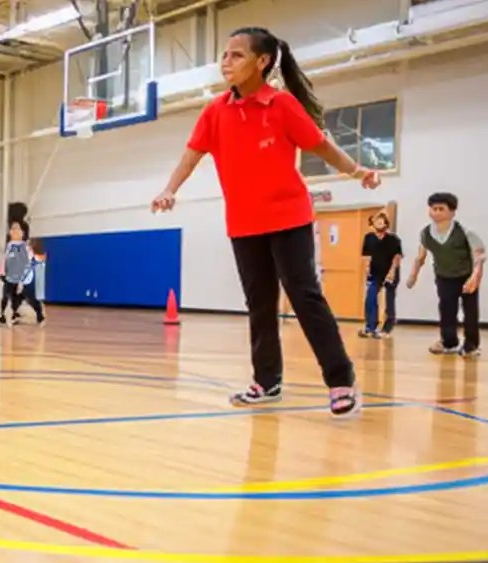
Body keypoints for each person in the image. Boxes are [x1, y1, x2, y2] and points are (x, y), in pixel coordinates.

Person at [151, 26, 381, 417]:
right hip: (243, 223)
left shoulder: (282, 105)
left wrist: (357, 171)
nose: (227, 62)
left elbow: (321, 145)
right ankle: (267, 381)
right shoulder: (215, 111)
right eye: (225, 54)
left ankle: (340, 379)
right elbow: (191, 156)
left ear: (262, 62)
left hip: (289, 216)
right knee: (259, 304)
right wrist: (170, 189)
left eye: (237, 55)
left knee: (305, 296)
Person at [405, 192, 486, 357]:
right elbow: (421, 256)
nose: (436, 212)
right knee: (447, 310)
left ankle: (471, 345)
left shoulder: (465, 232)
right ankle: (449, 342)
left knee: (470, 311)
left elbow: (479, 257)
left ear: (452, 211)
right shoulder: (426, 233)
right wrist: (413, 275)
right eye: (433, 209)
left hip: (466, 277)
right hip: (444, 277)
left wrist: (475, 277)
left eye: (441, 209)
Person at [359, 211, 403, 339]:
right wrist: (367, 268)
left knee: (389, 300)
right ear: (372, 223)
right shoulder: (369, 237)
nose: (378, 223)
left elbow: (397, 256)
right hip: (375, 273)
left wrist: (392, 271)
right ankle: (370, 326)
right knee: (370, 298)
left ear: (385, 223)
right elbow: (366, 255)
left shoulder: (393, 239)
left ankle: (387, 328)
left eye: (381, 220)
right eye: (376, 220)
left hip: (390, 272)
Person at [0, 219, 45, 326]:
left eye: (17, 228)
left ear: (22, 232)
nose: (14, 231)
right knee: (7, 295)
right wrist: (2, 272)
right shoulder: (10, 246)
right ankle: (4, 316)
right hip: (10, 276)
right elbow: (7, 260)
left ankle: (39, 315)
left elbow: (26, 263)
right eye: (12, 229)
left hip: (22, 277)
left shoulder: (24, 247)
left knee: (29, 297)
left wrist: (21, 280)